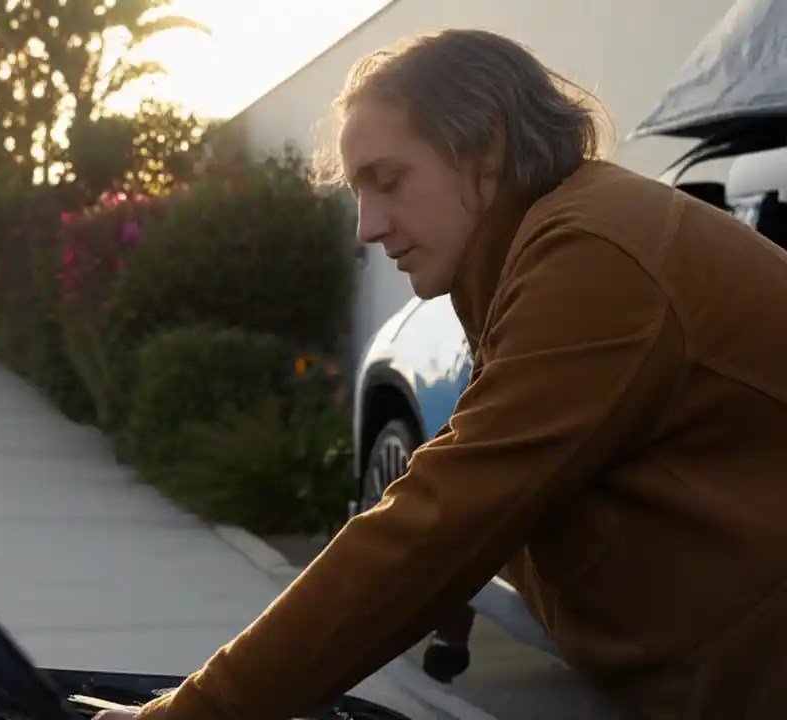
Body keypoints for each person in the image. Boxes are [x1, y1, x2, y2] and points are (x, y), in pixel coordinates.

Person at [96, 28, 787, 720]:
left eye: (388, 182)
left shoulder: (594, 258)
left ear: (485, 148)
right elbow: (495, 502)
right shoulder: (542, 253)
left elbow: (436, 523)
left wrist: (198, 712)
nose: (368, 226)